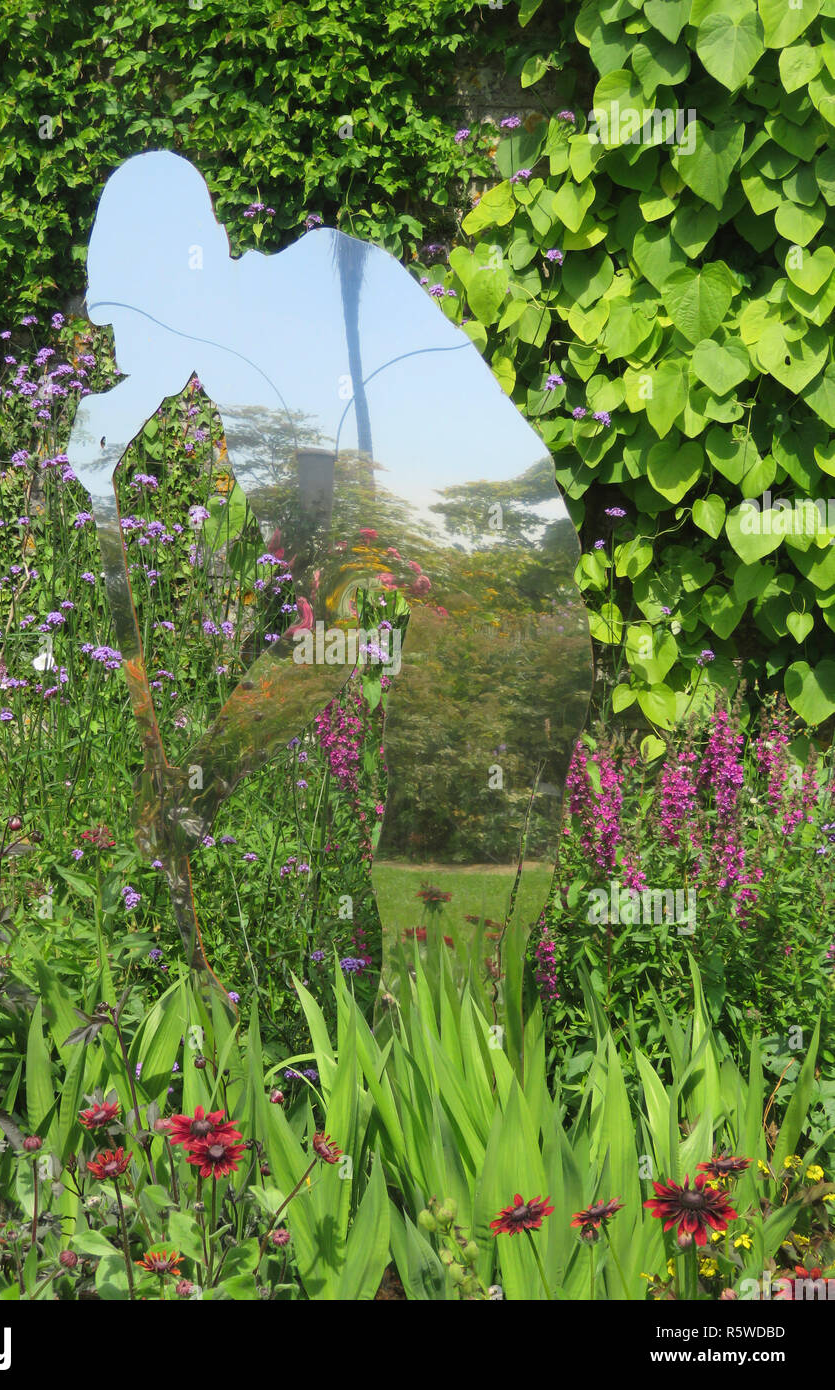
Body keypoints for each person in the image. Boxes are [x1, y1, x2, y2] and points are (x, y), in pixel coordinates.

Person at [65, 152, 591, 1036]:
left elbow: (337, 627)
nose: (119, 349)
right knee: (438, 973)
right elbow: (325, 561)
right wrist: (104, 462)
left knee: (445, 947)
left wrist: (207, 776)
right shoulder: (286, 315)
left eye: (127, 319)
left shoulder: (315, 318)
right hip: (486, 621)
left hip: (497, 636)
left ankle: (474, 1158)